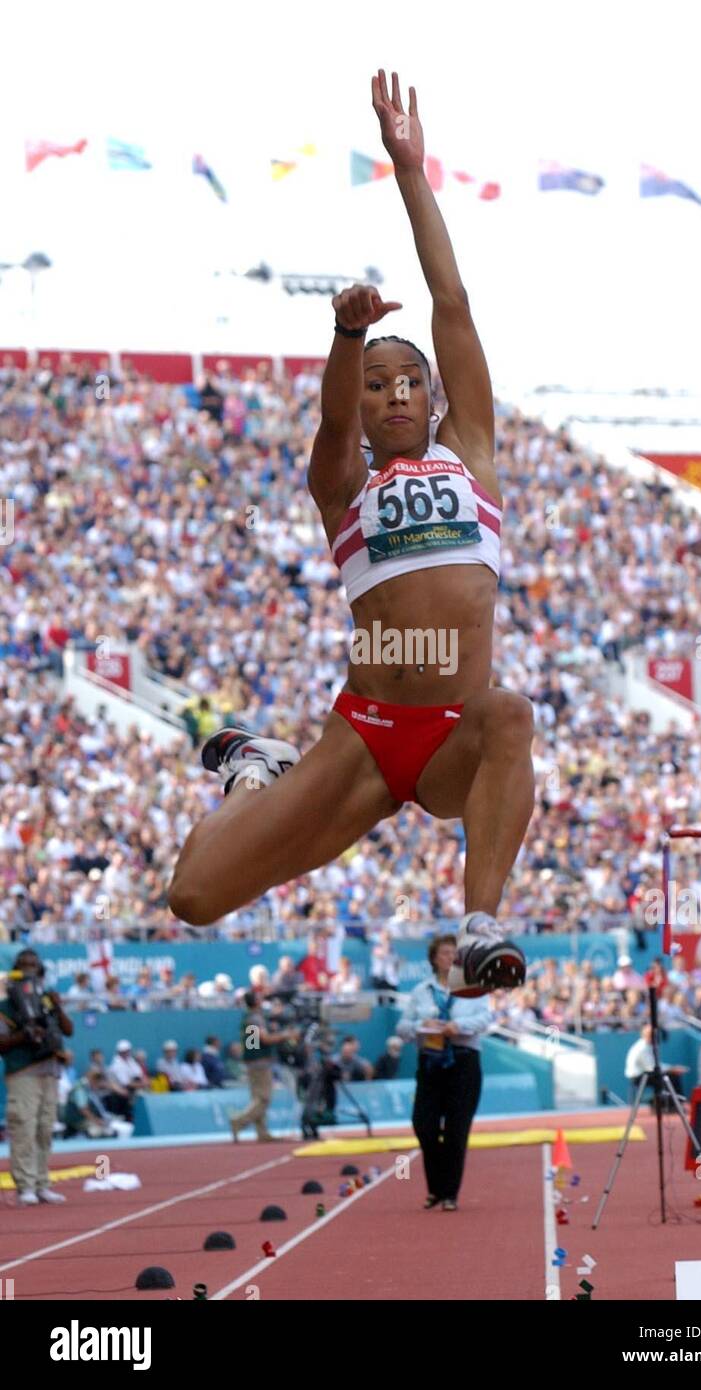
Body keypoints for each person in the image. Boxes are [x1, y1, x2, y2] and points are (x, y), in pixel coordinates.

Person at [168, 68, 533, 1000]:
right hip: (364, 737)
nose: (397, 391)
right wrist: (344, 337)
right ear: (362, 409)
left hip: (455, 734)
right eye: (377, 384)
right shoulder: (342, 488)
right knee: (195, 896)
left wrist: (410, 171)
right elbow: (331, 432)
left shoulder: (472, 456)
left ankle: (482, 921)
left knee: (509, 713)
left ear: (435, 394)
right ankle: (255, 769)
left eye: (408, 378)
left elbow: (451, 304)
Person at [396, 934, 491, 1210]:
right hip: (430, 1061)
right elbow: (402, 1027)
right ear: (434, 958)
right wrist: (420, 1025)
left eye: (454, 953)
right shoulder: (421, 991)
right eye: (445, 953)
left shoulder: (473, 988)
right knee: (423, 1125)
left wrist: (456, 1026)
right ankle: (436, 1186)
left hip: (463, 1062)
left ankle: (448, 1193)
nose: (450, 957)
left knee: (456, 1130)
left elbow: (486, 1019)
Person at [0, 948, 74, 1205]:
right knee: (24, 1128)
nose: (30, 969)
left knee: (45, 1129)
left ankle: (42, 1182)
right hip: (23, 1073)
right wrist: (26, 1035)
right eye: (24, 965)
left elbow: (68, 1030)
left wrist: (58, 1006)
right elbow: (1, 1043)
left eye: (34, 965)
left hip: (50, 1072)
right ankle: (25, 1186)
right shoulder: (6, 1006)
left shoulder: (46, 1000)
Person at [228, 990, 298, 1142]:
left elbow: (251, 1043)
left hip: (252, 1061)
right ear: (256, 1002)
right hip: (260, 1062)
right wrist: (285, 1035)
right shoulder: (255, 1018)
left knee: (257, 1098)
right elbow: (264, 1039)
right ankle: (239, 1122)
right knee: (264, 1098)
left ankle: (262, 1132)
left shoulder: (248, 1018)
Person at [624, 1024, 687, 1106]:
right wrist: (672, 1069)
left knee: (671, 1075)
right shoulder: (642, 1048)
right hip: (639, 1077)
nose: (654, 1037)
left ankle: (669, 1103)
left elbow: (655, 1064)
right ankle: (669, 1104)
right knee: (670, 1077)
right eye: (651, 1035)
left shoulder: (648, 1046)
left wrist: (672, 1068)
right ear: (646, 1035)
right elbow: (651, 1067)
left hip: (645, 1074)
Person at [107, 1039, 147, 1120]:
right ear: (119, 1052)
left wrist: (145, 1081)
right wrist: (143, 1084)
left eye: (127, 1051)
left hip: (129, 1090)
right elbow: (126, 1083)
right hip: (118, 1094)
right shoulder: (116, 1064)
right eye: (123, 1051)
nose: (126, 1053)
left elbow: (139, 1074)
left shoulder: (130, 1060)